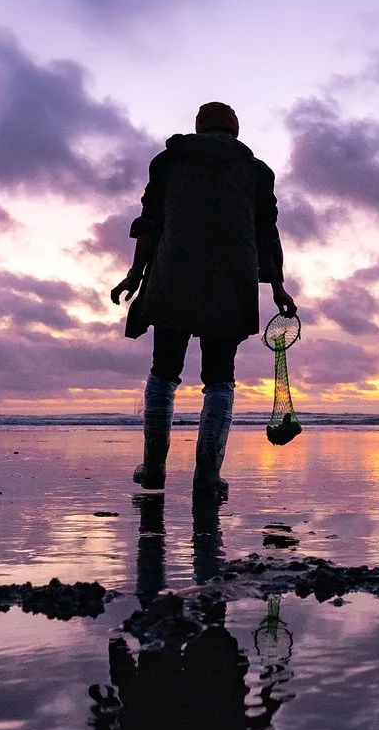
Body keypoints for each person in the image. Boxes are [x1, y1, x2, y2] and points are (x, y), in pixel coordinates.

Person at [111, 102, 294, 499]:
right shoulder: (258, 172)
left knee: (164, 370)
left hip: (174, 275)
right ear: (235, 130)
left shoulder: (169, 162)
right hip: (232, 282)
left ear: (198, 128)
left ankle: (155, 466)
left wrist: (134, 274)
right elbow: (268, 235)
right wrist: (278, 287)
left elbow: (149, 224)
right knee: (219, 377)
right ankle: (207, 474)